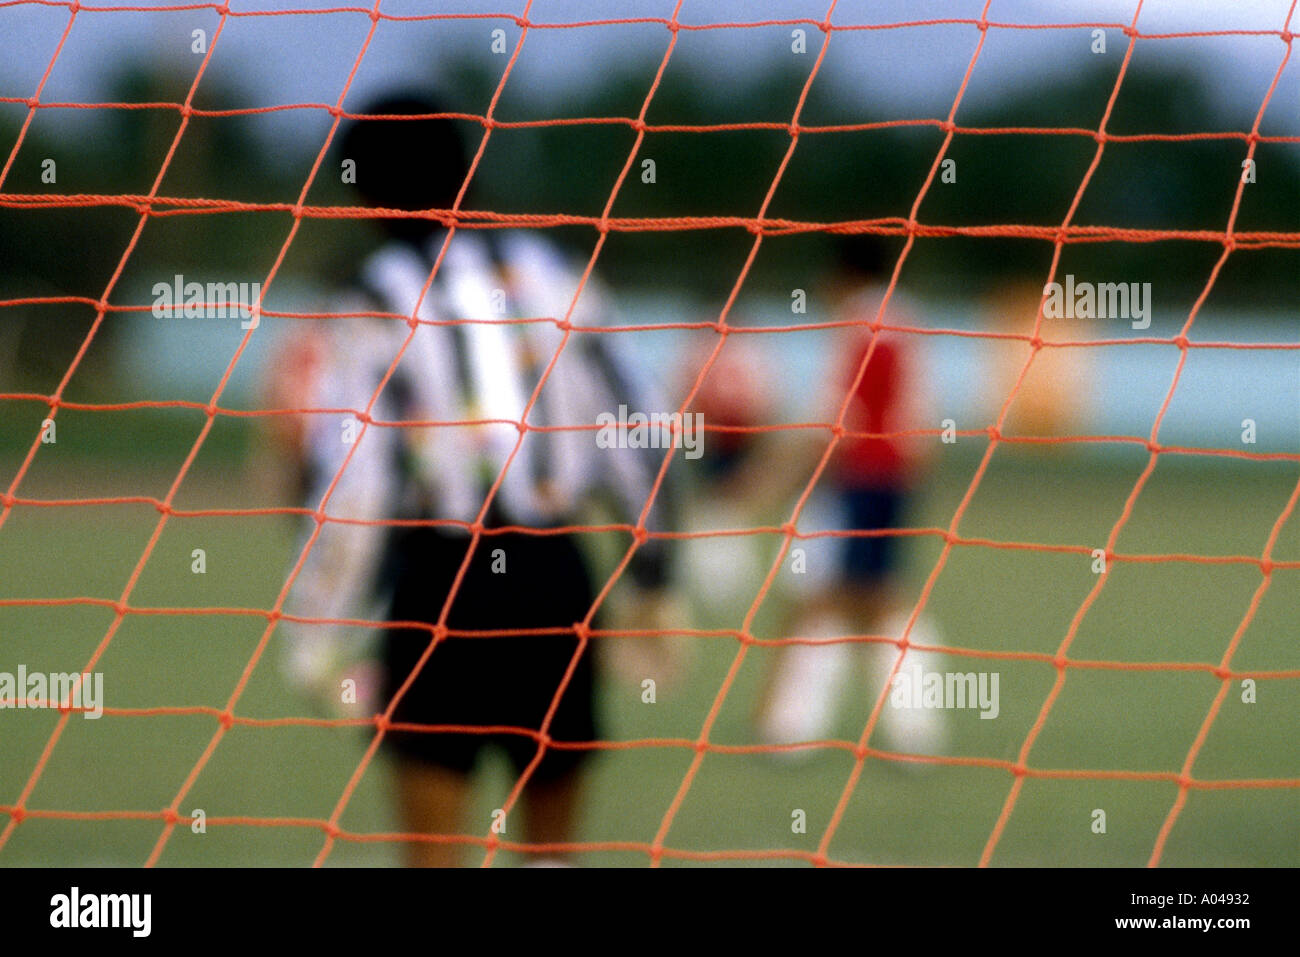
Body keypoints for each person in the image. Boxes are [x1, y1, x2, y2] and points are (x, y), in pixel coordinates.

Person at [273, 92, 680, 866]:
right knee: (551, 854)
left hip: (443, 584)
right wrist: (654, 569)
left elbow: (355, 476)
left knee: (434, 856)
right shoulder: (554, 273)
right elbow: (638, 428)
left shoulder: (379, 293)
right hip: (556, 578)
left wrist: (315, 626)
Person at [749, 235, 948, 758]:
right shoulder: (910, 320)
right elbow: (921, 415)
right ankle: (896, 729)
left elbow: (834, 416)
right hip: (895, 477)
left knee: (846, 599)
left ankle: (797, 731)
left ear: (844, 273)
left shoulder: (857, 326)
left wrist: (770, 477)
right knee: (857, 594)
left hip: (859, 476)